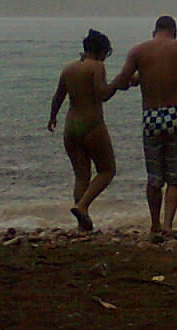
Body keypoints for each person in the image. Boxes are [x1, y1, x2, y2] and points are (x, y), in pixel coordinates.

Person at [110, 15, 177, 238]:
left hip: (150, 116)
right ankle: (168, 225)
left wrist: (125, 83)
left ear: (154, 31)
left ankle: (154, 225)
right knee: (175, 176)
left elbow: (122, 80)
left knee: (154, 177)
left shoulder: (138, 51)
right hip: (174, 114)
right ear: (174, 31)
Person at [47, 29, 123, 232]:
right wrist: (117, 83)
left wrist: (52, 117)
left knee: (81, 177)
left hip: (71, 126)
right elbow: (102, 94)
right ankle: (82, 206)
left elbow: (58, 96)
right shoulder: (97, 67)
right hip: (92, 125)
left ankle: (82, 224)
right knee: (107, 170)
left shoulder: (69, 68)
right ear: (102, 52)